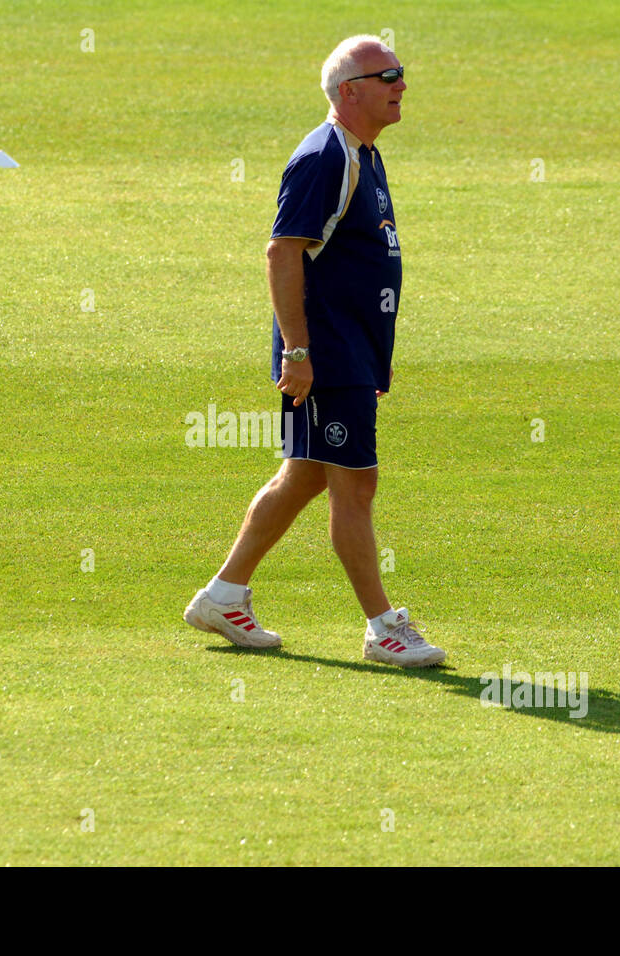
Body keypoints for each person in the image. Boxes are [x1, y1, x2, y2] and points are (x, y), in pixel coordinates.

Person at [184, 35, 446, 668]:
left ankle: (222, 596)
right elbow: (282, 251)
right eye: (389, 76)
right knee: (355, 486)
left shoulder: (364, 154)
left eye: (401, 73)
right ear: (348, 91)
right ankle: (384, 627)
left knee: (305, 473)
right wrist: (298, 352)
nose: (402, 84)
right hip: (324, 352)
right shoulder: (325, 157)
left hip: (345, 351)